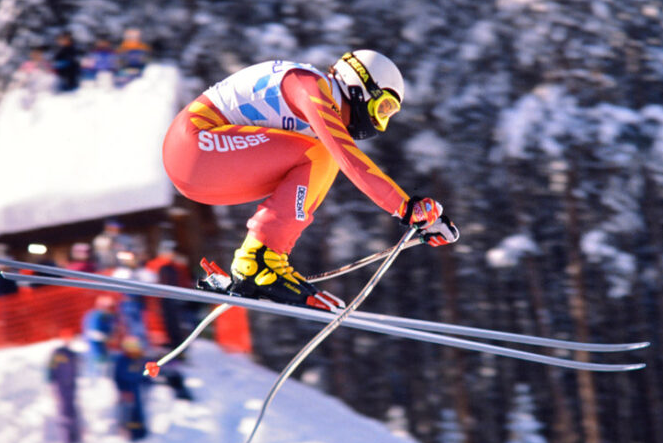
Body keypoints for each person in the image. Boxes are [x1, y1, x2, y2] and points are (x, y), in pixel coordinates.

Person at [162, 49, 459, 310]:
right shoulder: (310, 87)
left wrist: (423, 222)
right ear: (359, 90)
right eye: (382, 108)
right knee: (321, 154)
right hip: (193, 146)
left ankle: (262, 259)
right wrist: (407, 208)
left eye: (388, 114)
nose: (379, 122)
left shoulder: (318, 97)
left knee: (316, 157)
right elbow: (349, 158)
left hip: (200, 165)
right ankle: (259, 260)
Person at [47, 330, 82, 443]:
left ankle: (75, 438)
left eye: (70, 338)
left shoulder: (72, 354)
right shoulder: (57, 353)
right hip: (60, 386)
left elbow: (76, 370)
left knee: (72, 411)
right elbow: (50, 369)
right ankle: (66, 439)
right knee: (63, 412)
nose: (68, 340)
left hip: (71, 386)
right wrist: (51, 383)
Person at [113, 335, 149, 441]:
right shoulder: (122, 360)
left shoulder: (139, 359)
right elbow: (118, 377)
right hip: (127, 390)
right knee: (128, 412)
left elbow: (144, 374)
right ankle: (130, 432)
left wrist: (147, 381)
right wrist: (123, 390)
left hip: (138, 389)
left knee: (138, 411)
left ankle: (140, 432)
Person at [81, 295, 118, 378]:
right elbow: (92, 334)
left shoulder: (108, 317)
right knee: (98, 375)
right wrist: (108, 338)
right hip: (94, 352)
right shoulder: (94, 316)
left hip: (104, 351)